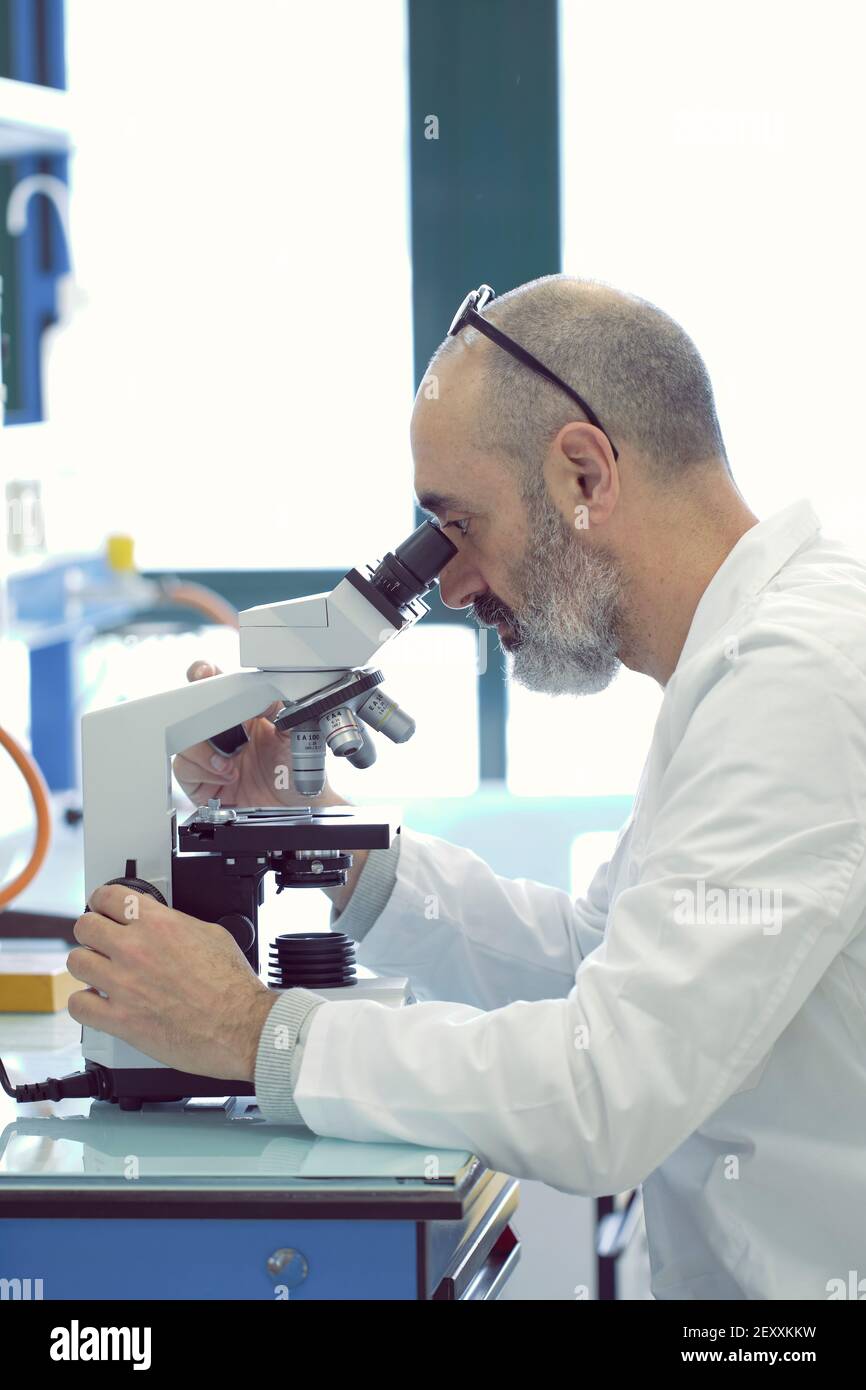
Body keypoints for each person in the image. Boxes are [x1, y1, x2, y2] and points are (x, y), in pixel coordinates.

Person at [71, 275, 866, 1300]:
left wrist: (249, 1031)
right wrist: (330, 848)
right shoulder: (748, 661)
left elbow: (602, 1091)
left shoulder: (796, 678)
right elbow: (594, 961)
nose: (445, 585)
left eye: (460, 524)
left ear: (582, 473)